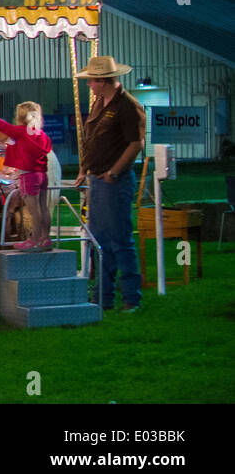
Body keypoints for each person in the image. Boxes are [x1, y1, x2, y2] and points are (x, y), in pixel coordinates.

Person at [73, 55, 145, 312]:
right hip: (99, 179)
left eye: (91, 80)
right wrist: (85, 169)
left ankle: (130, 298)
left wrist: (114, 172)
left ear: (102, 81)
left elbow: (136, 143)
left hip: (114, 181)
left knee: (120, 240)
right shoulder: (98, 104)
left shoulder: (127, 106)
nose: (89, 85)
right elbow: (92, 141)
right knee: (100, 240)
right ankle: (103, 297)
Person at [0, 102, 53, 250]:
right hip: (42, 174)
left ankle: (34, 239)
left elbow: (3, 126)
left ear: (21, 118)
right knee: (43, 207)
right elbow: (48, 148)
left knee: (33, 210)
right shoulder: (41, 134)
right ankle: (45, 238)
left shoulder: (21, 132)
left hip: (28, 176)